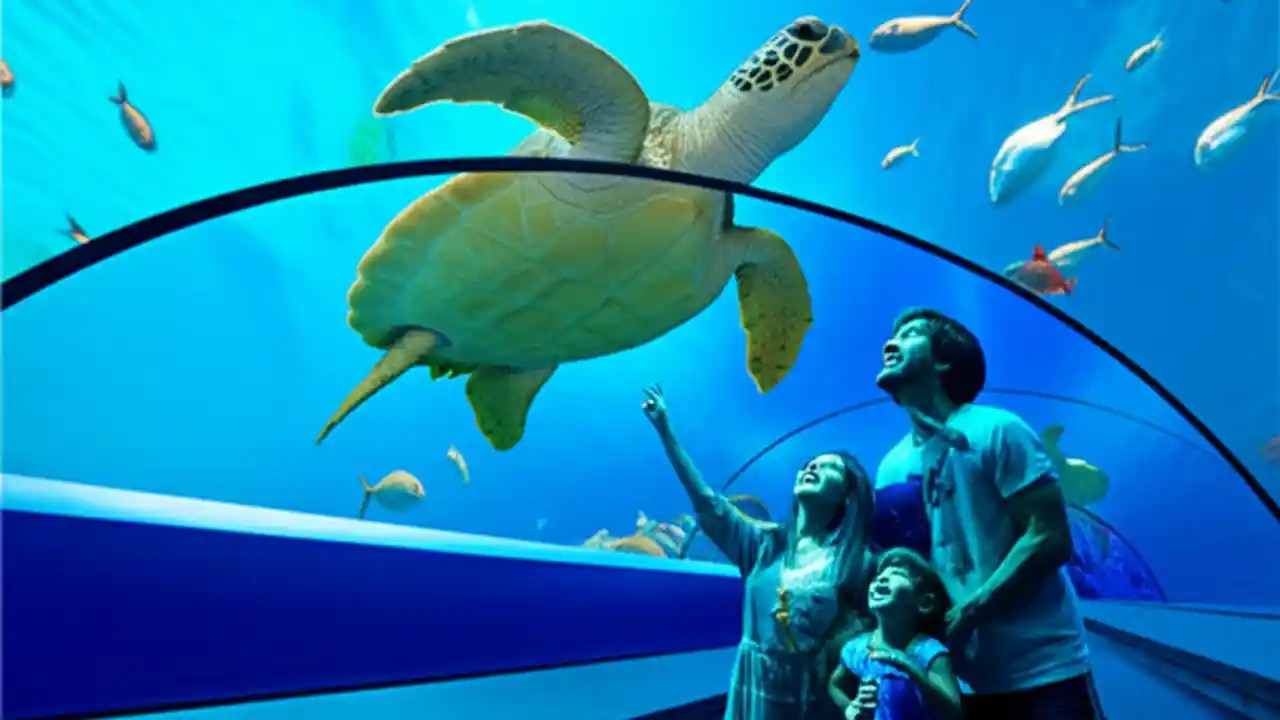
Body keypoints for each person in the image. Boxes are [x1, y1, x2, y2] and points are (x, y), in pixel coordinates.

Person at [872, 307, 1105, 718]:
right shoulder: (890, 467)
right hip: (957, 675)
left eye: (909, 335)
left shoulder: (997, 429)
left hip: (1043, 665)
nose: (890, 343)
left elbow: (1049, 536)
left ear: (943, 359)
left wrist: (971, 611)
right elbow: (904, 564)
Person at [641, 383, 876, 720]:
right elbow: (708, 502)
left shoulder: (859, 564)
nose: (811, 468)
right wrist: (664, 428)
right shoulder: (764, 547)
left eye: (828, 467)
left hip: (812, 700)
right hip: (753, 692)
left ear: (848, 496)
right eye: (809, 463)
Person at [828, 548, 962, 720]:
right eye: (878, 576)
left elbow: (955, 713)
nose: (882, 578)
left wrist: (912, 670)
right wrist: (850, 707)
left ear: (925, 602)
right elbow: (834, 684)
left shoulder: (928, 653)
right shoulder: (859, 648)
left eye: (897, 574)